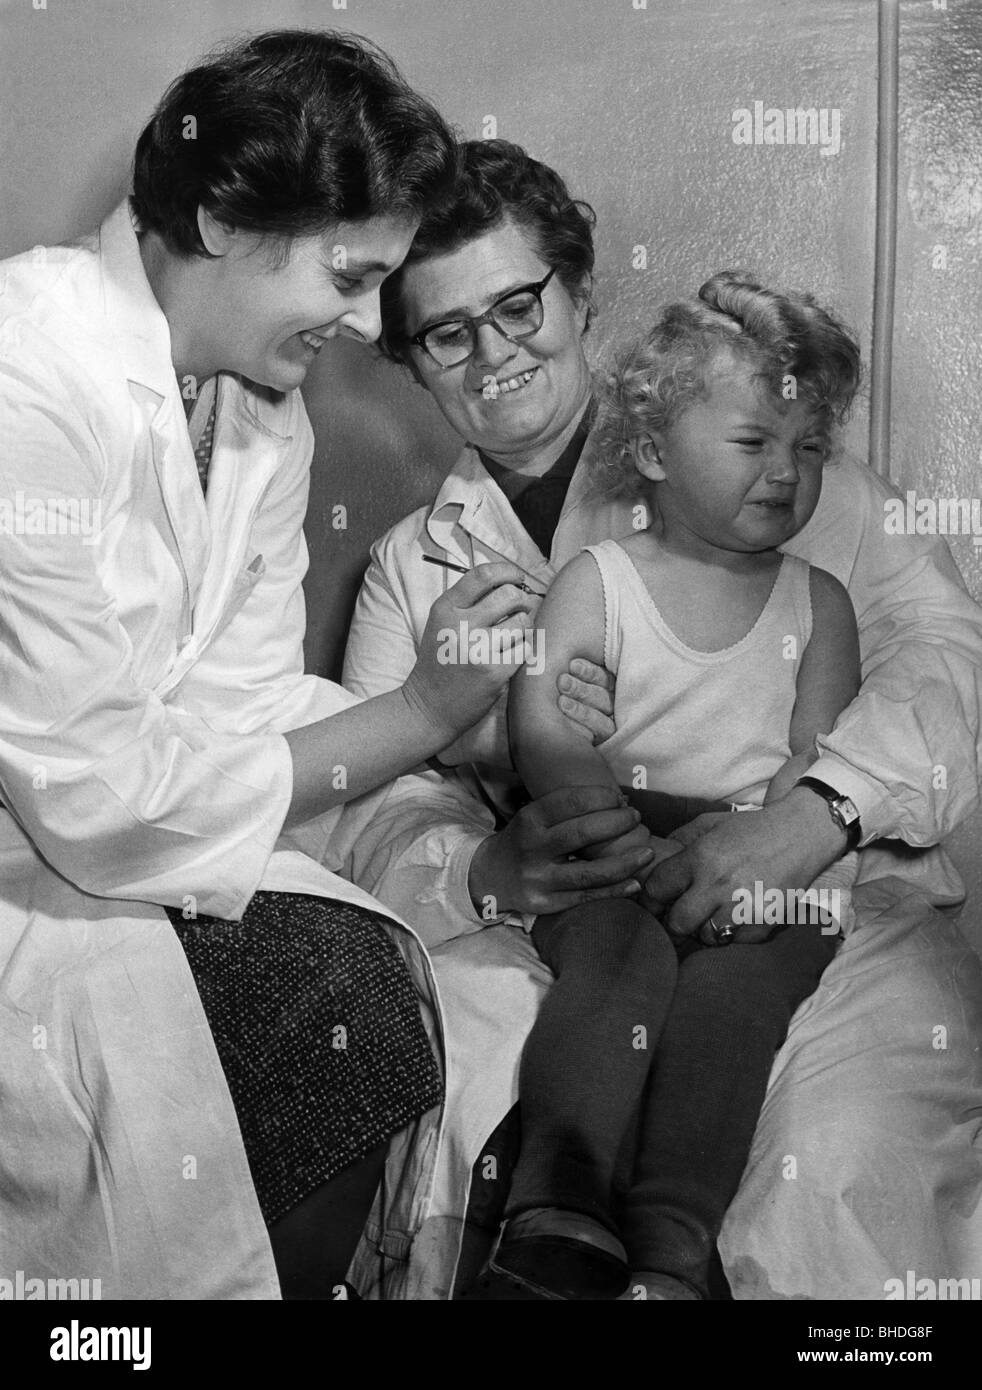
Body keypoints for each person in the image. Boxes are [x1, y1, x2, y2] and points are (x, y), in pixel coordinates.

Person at [0, 31, 644, 1303]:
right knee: (302, 1010)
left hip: (121, 840)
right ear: (229, 215)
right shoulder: (30, 375)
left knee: (369, 1006)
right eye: (354, 277)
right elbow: (96, 798)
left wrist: (433, 764)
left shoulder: (254, 407)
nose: (365, 325)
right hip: (53, 851)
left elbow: (245, 705)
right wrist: (425, 709)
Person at [343, 138, 982, 1300]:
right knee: (488, 1131)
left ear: (581, 295)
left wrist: (812, 813)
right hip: (578, 925)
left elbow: (954, 661)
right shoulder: (410, 571)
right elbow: (367, 812)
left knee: (818, 1181)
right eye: (447, 332)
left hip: (840, 915)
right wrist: (487, 868)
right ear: (412, 365)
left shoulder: (788, 474)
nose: (494, 352)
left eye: (520, 303)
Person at [492, 272, 862, 1300]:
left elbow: (813, 758)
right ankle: (559, 1206)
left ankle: (669, 1247)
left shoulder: (817, 601)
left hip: (751, 856)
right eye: (754, 443)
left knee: (731, 1007)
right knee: (613, 965)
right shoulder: (597, 579)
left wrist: (754, 857)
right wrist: (610, 830)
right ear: (654, 453)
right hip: (614, 838)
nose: (786, 472)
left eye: (809, 449)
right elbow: (548, 727)